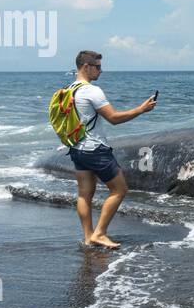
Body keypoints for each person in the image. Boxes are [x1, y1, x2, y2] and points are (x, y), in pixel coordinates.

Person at [66, 50, 156, 249]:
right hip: (95, 149)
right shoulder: (92, 90)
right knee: (119, 190)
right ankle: (100, 233)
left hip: (77, 148)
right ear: (86, 67)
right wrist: (141, 110)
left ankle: (89, 236)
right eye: (97, 66)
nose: (101, 70)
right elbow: (114, 118)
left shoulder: (70, 89)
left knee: (84, 194)